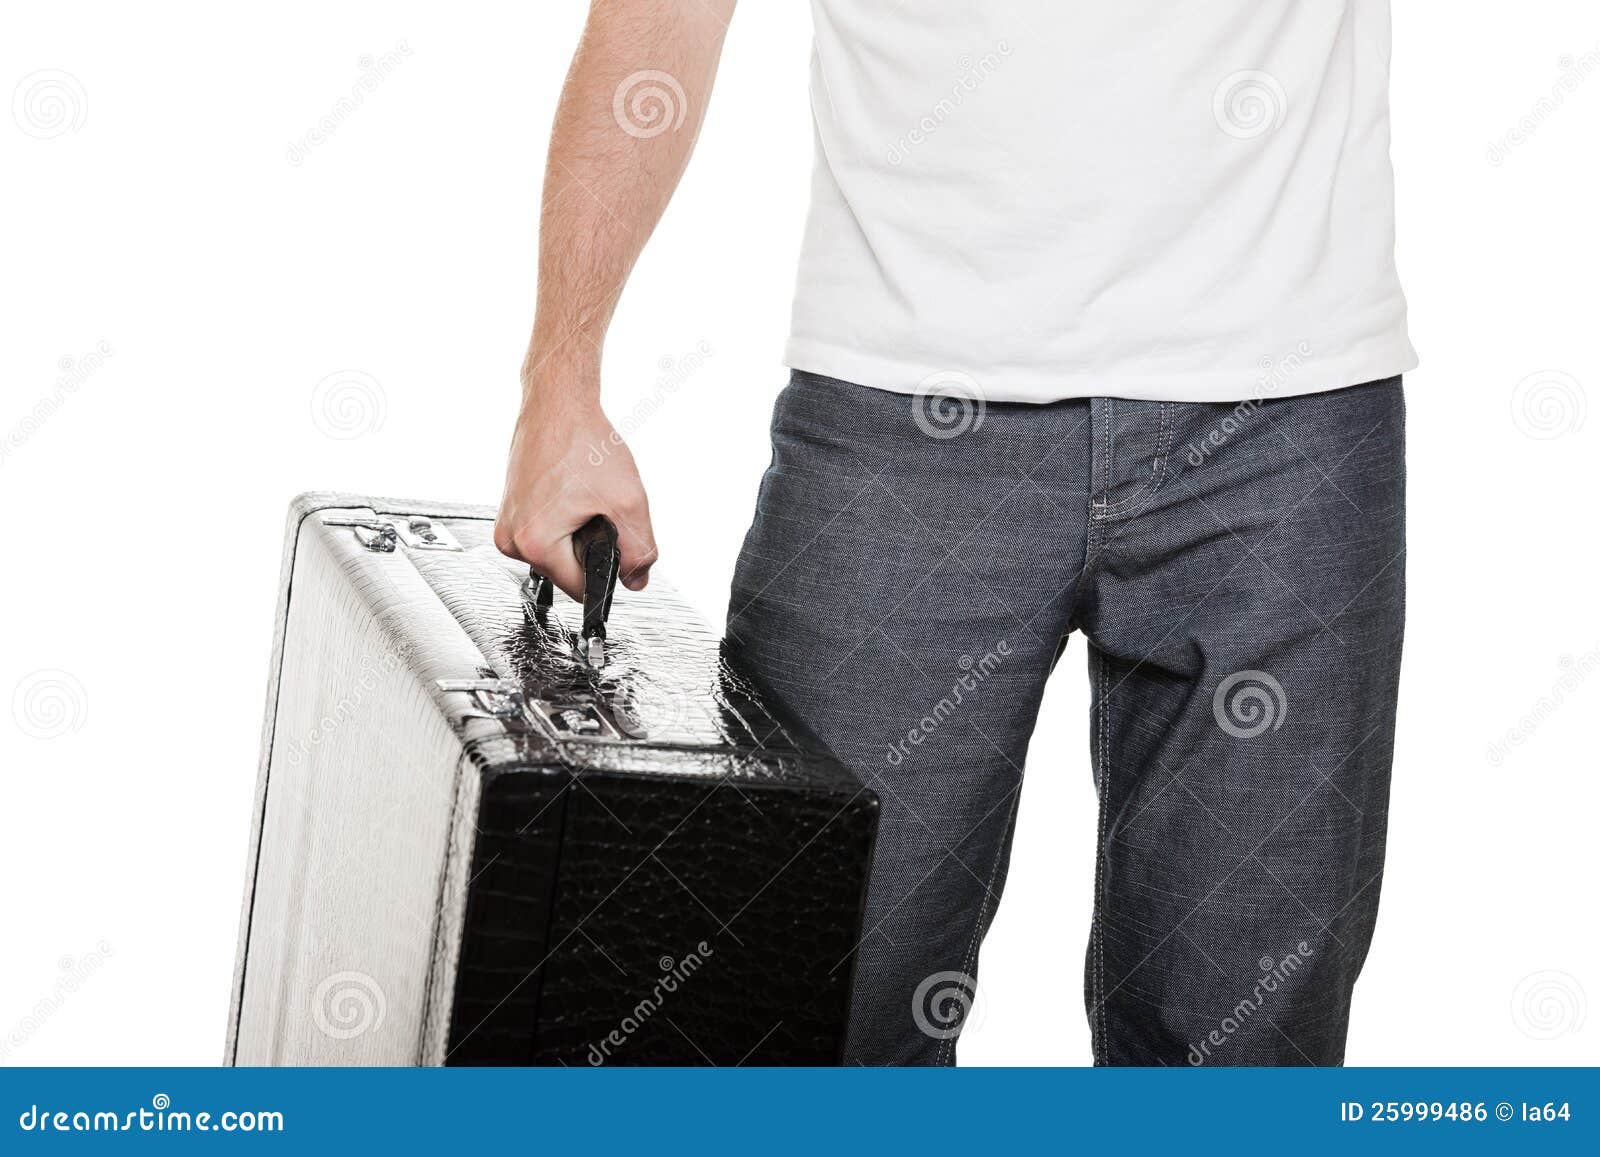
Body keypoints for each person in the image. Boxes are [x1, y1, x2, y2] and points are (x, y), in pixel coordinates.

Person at [495, 0, 1411, 1066]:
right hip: (897, 414)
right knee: (817, 1009)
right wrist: (560, 380)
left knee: (1251, 1056)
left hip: (1284, 413)